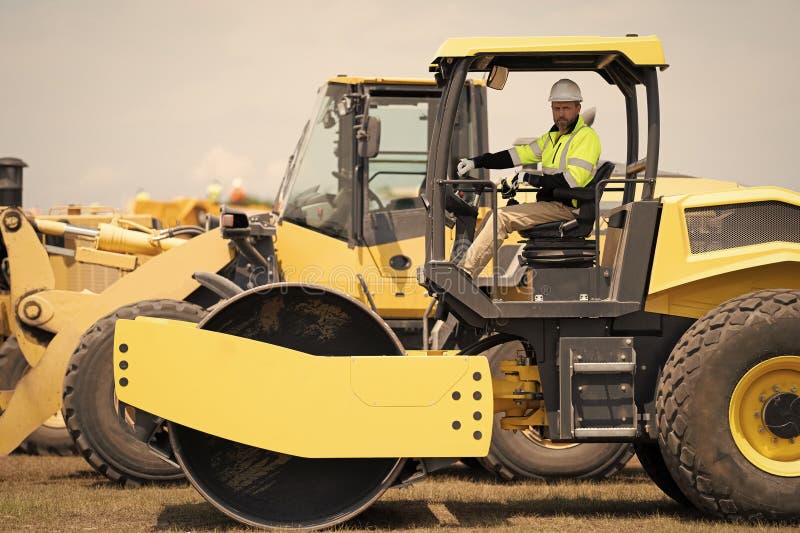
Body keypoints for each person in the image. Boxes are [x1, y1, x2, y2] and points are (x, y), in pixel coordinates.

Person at [456, 79, 601, 279]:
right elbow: (517, 155)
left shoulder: (586, 137)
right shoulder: (552, 138)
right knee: (493, 215)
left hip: (569, 208)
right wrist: (478, 161)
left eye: (566, 108)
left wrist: (528, 178)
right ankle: (464, 267)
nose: (560, 114)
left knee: (502, 218)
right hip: (553, 206)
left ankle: (463, 274)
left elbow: (572, 181)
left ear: (578, 107)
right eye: (556, 108)